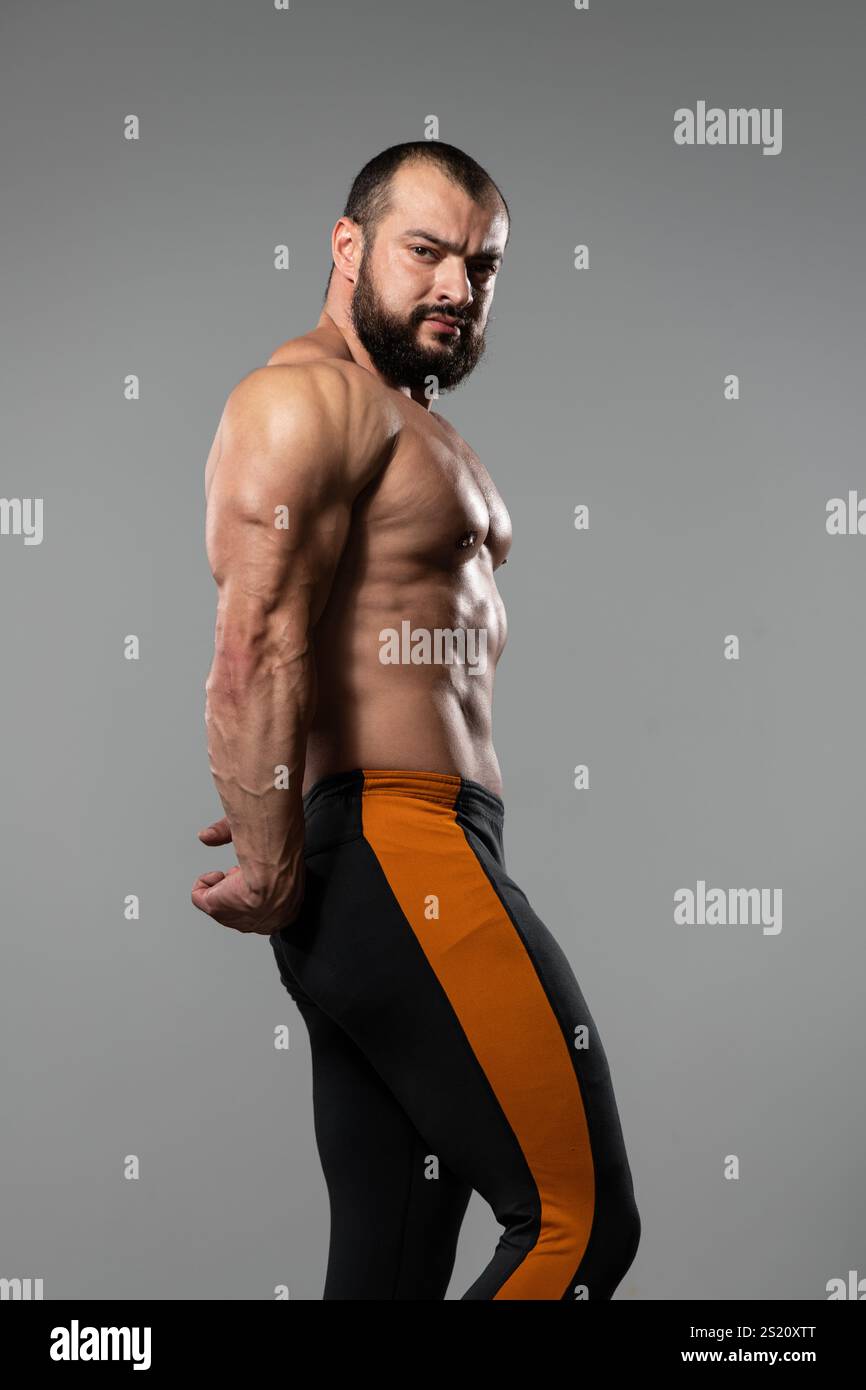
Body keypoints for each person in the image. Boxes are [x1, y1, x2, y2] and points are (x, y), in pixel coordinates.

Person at [191, 141, 641, 1300]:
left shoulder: (405, 421)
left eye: (481, 267)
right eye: (426, 252)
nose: (456, 285)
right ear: (347, 248)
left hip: (401, 859)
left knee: (383, 1275)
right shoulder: (303, 398)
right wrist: (268, 852)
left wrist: (292, 838)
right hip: (399, 851)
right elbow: (255, 646)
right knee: (576, 1225)